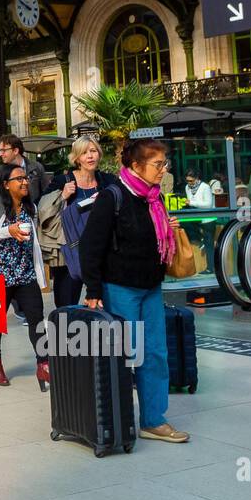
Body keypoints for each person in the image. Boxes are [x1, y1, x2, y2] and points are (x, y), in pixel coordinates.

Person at [80, 137, 190, 445]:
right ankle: (116, 419)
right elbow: (91, 246)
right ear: (135, 166)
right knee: (122, 356)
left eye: (164, 164)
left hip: (150, 287)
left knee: (154, 353)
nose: (163, 170)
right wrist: (93, 289)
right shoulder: (112, 197)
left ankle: (153, 420)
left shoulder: (153, 199)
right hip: (119, 289)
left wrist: (167, 227)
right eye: (157, 164)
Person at [0, 163, 49, 388]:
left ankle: (43, 364)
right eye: (19, 179)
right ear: (5, 185)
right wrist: (9, 231)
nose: (25, 182)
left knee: (37, 319)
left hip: (25, 273)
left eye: (25, 178)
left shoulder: (30, 207)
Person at [46, 136, 117, 310]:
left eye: (93, 151)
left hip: (102, 251)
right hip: (71, 251)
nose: (90, 156)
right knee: (66, 304)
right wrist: (62, 196)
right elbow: (42, 209)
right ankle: (64, 336)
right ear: (76, 158)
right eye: (84, 152)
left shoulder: (108, 181)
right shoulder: (62, 181)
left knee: (105, 302)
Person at [0, 134, 47, 204]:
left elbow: (46, 193)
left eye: (3, 150)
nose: (0, 154)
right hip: (10, 213)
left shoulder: (36, 167)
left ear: (15, 151)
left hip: (35, 212)